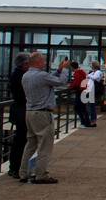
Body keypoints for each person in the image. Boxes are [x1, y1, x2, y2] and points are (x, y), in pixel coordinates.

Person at [18, 52, 72, 184]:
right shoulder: (41, 75)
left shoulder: (26, 75)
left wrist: (58, 70)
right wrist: (64, 69)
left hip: (30, 112)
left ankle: (23, 173)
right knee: (45, 145)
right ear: (37, 62)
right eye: (43, 61)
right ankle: (41, 174)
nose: (45, 63)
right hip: (42, 113)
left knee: (30, 144)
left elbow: (47, 79)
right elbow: (61, 82)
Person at [6, 53, 30, 178]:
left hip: (19, 109)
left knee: (20, 140)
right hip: (21, 110)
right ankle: (16, 167)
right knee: (21, 140)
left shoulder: (17, 74)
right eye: (27, 63)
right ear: (23, 64)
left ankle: (16, 167)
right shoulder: (19, 76)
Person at [69, 60, 90, 127]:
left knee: (78, 108)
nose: (70, 69)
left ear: (72, 67)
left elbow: (76, 83)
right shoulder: (82, 72)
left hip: (80, 92)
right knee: (83, 108)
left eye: (70, 67)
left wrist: (70, 87)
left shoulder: (77, 73)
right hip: (84, 91)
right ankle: (86, 122)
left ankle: (83, 122)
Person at [83, 60, 103, 127]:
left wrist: (89, 76)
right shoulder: (92, 72)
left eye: (92, 65)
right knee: (89, 106)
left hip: (93, 91)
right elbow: (87, 77)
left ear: (94, 66)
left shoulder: (98, 72)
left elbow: (95, 78)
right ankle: (90, 120)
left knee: (91, 106)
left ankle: (93, 121)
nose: (91, 66)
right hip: (89, 90)